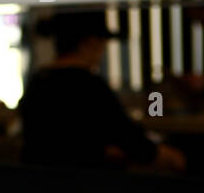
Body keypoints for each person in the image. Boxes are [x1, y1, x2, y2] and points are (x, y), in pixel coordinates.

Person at [20, 10, 185, 171]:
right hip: (83, 186)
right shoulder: (87, 85)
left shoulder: (38, 81)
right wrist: (169, 157)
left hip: (41, 181)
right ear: (90, 43)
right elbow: (128, 138)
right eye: (102, 43)